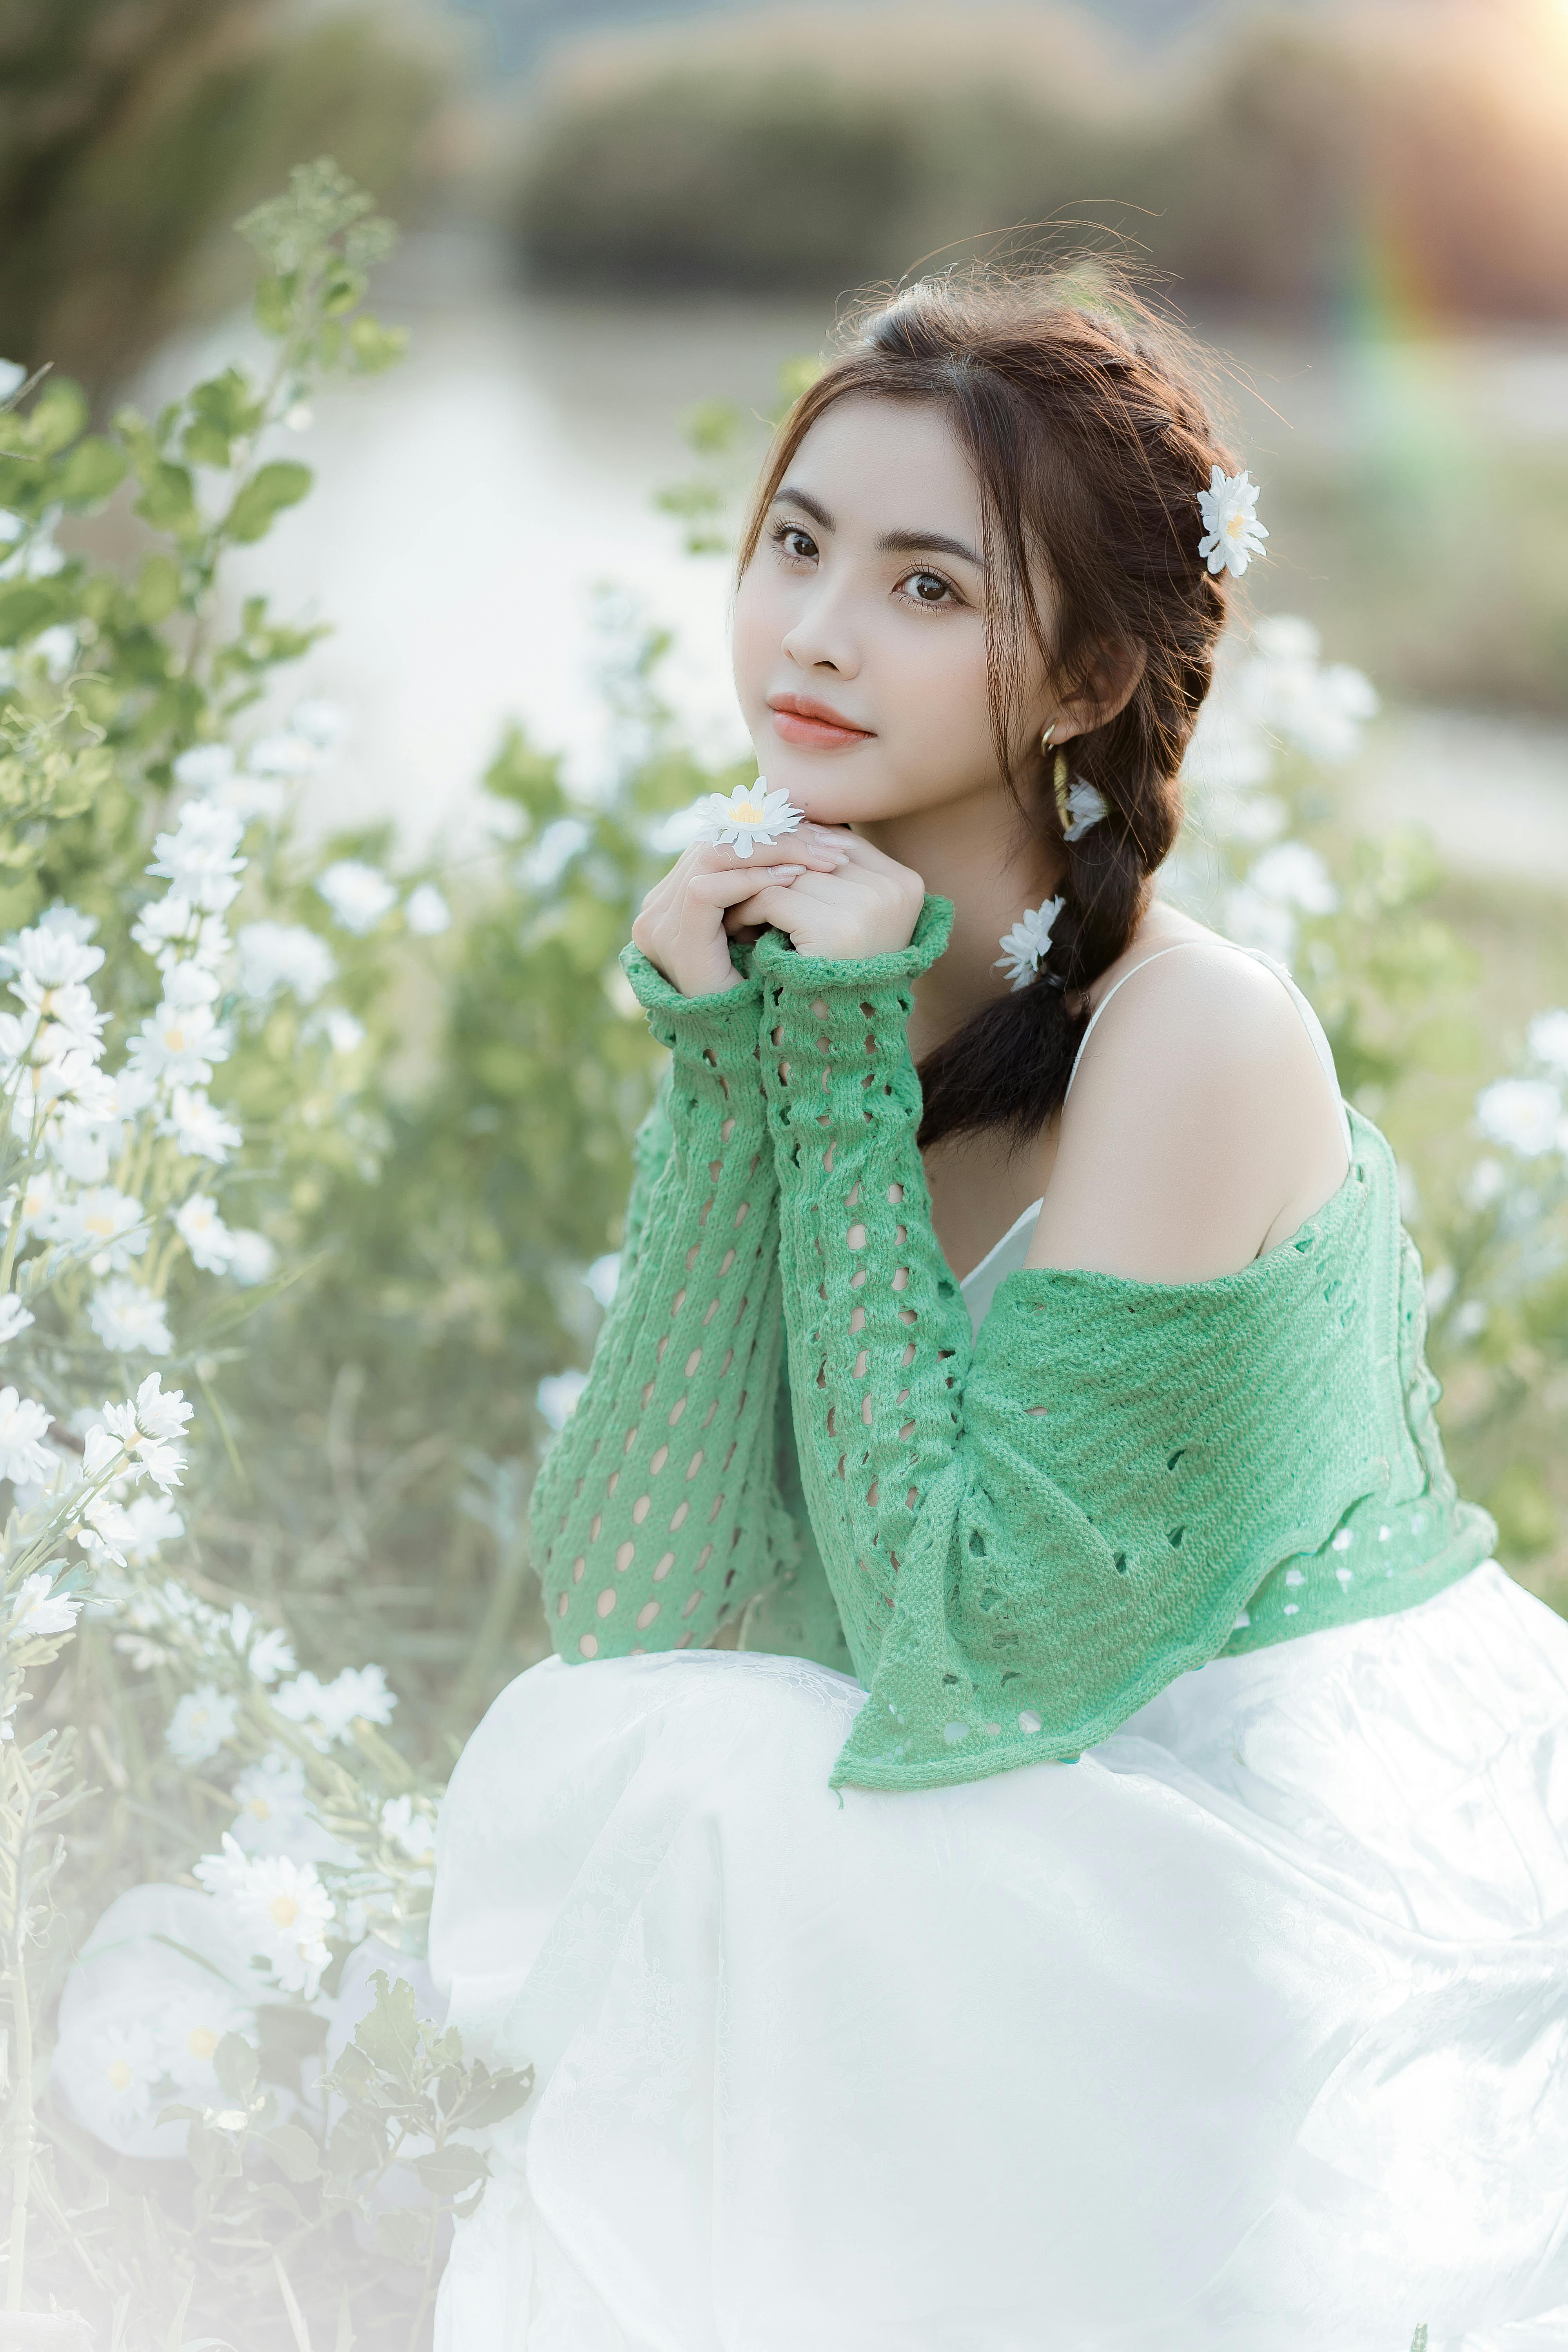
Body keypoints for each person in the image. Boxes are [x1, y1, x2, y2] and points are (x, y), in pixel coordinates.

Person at [429, 270, 1568, 2351]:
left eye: (928, 587)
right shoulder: (825, 953)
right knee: (687, 1755)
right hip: (1009, 1795)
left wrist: (835, 1071)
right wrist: (730, 1073)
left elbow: (971, 1665)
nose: (817, 633)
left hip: (1246, 1820)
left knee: (733, 1798)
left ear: (1088, 675)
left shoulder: (1195, 1041)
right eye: (796, 546)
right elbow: (638, 1604)